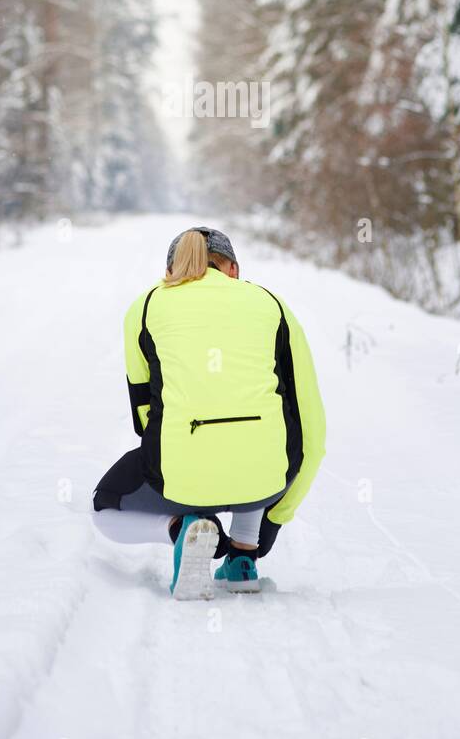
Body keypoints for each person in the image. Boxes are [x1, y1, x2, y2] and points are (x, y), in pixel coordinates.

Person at [91, 226, 326, 599]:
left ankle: (180, 528)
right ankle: (243, 558)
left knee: (102, 508)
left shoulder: (146, 306)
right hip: (265, 478)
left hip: (181, 471)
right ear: (233, 269)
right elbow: (311, 430)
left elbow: (144, 416)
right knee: (261, 426)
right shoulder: (273, 305)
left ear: (171, 271)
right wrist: (275, 521)